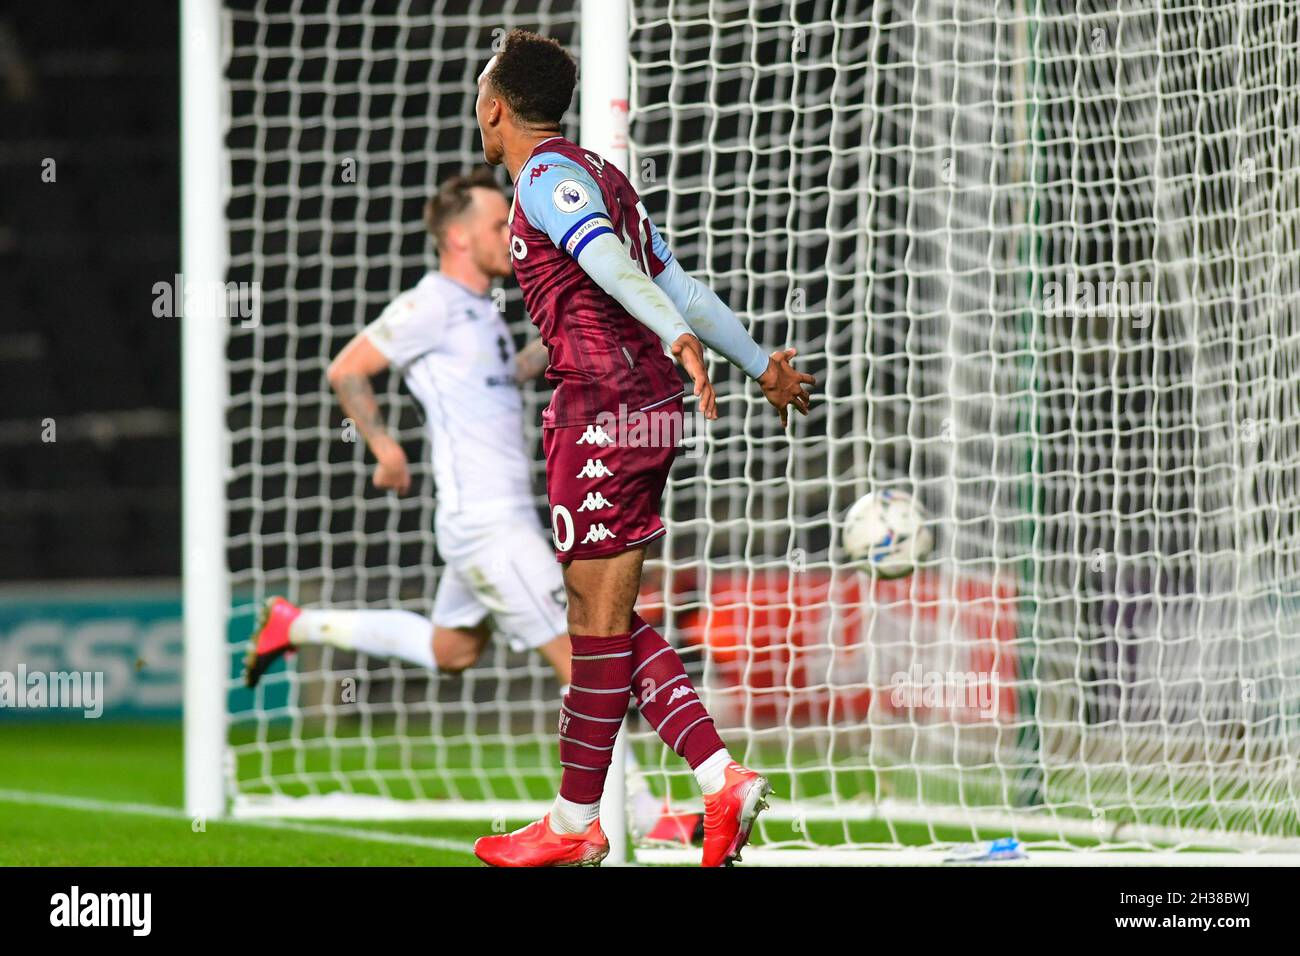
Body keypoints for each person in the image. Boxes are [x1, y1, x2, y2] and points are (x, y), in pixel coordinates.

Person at [242, 168, 694, 844]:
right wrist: (384, 446)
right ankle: (645, 817)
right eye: (495, 226)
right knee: (589, 657)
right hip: (489, 528)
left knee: (452, 649)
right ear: (457, 238)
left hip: (492, 520)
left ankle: (296, 625)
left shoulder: (483, 310)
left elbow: (498, 376)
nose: (509, 235)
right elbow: (348, 369)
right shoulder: (430, 303)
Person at [468, 30, 814, 867]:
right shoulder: (599, 176)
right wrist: (758, 361)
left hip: (603, 404)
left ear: (495, 111)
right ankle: (710, 779)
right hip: (638, 404)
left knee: (594, 618)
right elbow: (680, 282)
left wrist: (678, 339)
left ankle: (577, 820)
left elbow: (618, 267)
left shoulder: (548, 179)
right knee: (606, 619)